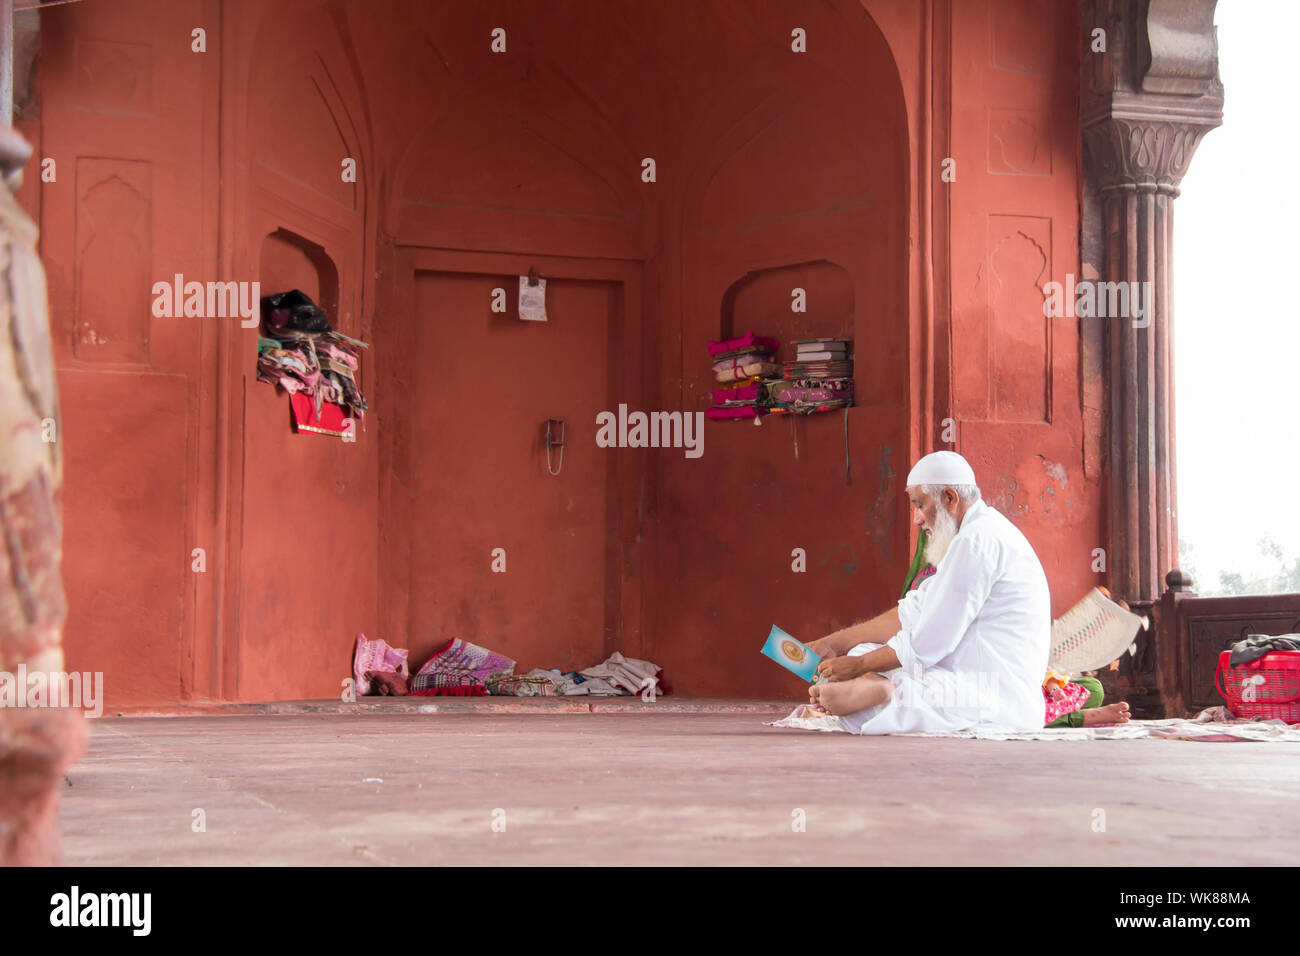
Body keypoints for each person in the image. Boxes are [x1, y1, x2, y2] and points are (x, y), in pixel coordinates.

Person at [804, 451, 1051, 734]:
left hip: (991, 695)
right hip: (967, 680)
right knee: (865, 650)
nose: (917, 520)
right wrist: (836, 643)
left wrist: (859, 665)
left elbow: (930, 642)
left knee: (869, 695)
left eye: (920, 505)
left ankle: (886, 694)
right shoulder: (974, 534)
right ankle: (877, 688)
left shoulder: (977, 541)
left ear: (949, 498)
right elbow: (914, 611)